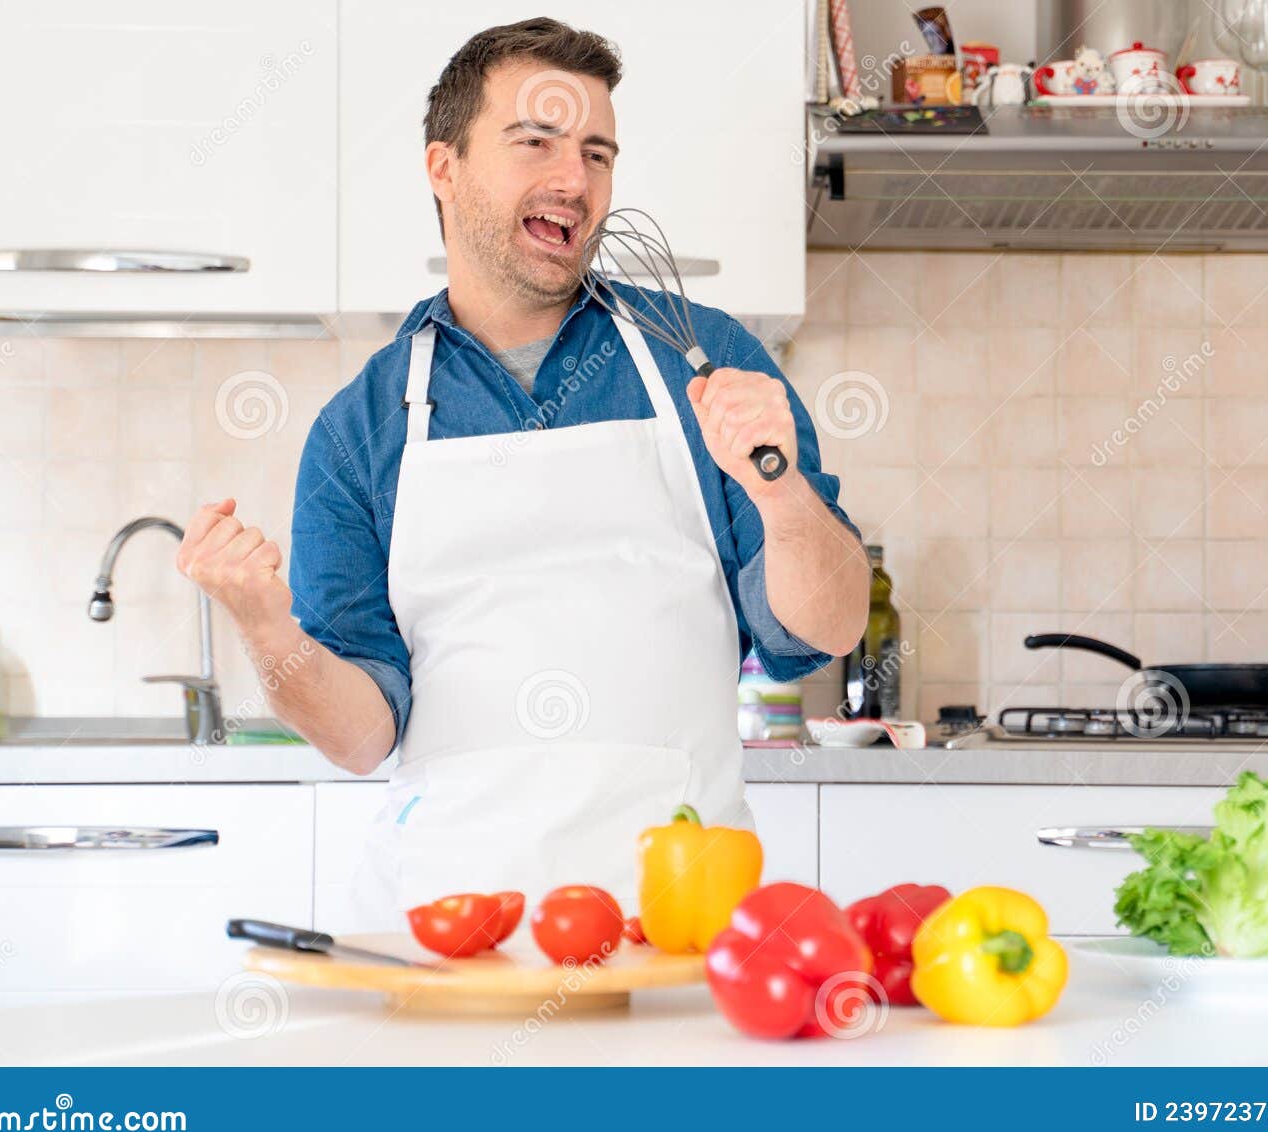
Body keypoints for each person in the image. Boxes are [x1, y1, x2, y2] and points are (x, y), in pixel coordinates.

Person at [176, 17, 869, 926]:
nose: (574, 181)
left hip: (675, 920)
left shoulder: (700, 360)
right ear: (444, 167)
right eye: (535, 142)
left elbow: (827, 625)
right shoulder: (360, 430)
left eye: (597, 152)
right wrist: (267, 630)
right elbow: (360, 733)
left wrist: (780, 493)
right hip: (446, 923)